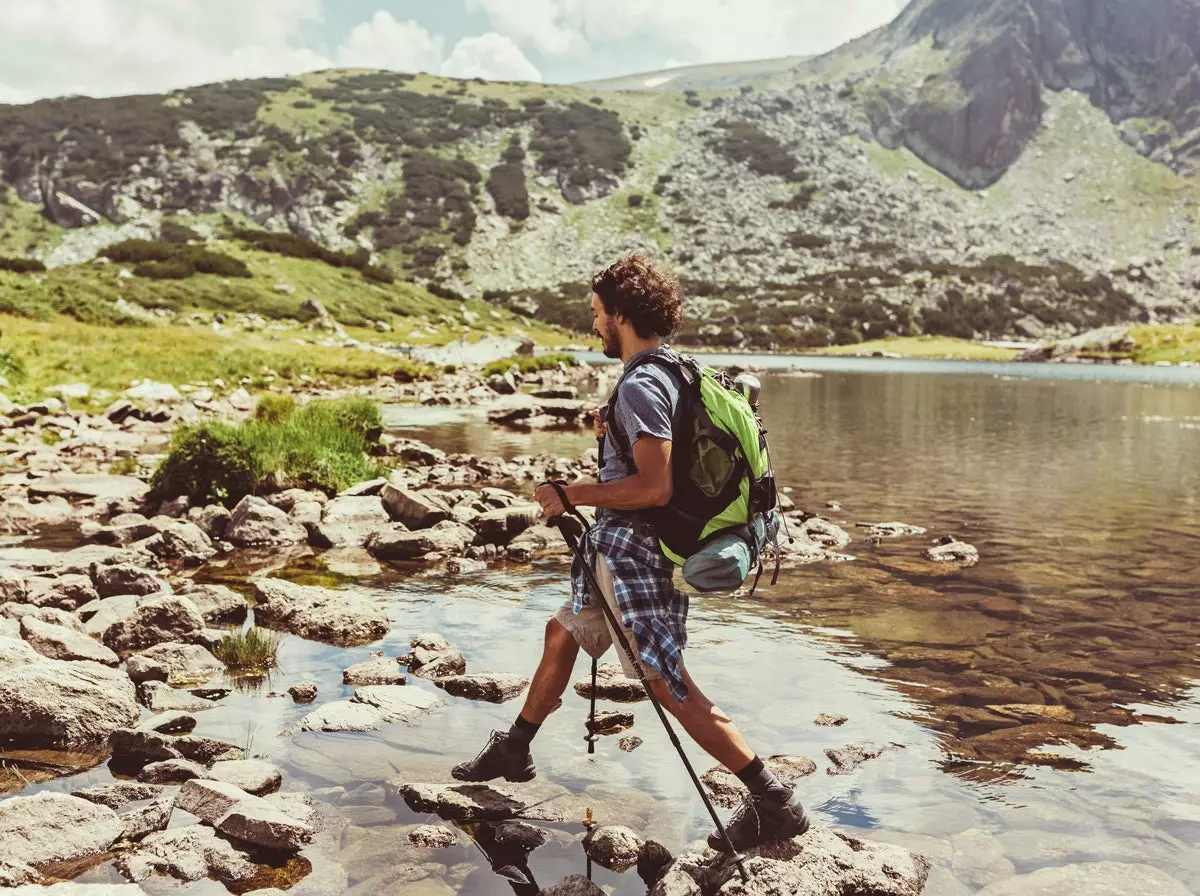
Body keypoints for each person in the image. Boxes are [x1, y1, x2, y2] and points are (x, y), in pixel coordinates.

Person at [451, 252, 809, 852]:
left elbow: (654, 487)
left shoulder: (642, 382)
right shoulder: (670, 371)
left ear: (620, 314)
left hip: (636, 559)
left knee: (668, 684)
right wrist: (609, 435)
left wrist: (570, 494)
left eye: (597, 313)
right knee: (563, 632)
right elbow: (647, 461)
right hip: (615, 551)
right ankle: (515, 748)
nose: (593, 324)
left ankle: (774, 799)